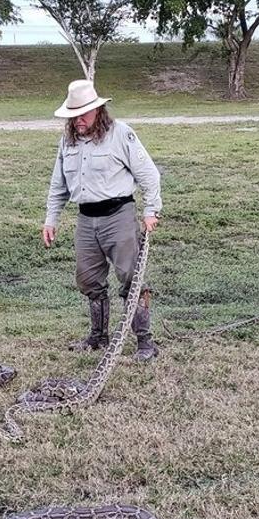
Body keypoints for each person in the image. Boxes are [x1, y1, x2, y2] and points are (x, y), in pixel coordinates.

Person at [43, 80, 163, 361]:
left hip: (119, 216)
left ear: (98, 110)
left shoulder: (121, 134)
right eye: (73, 115)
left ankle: (145, 342)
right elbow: (58, 184)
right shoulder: (67, 141)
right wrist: (51, 219)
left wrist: (151, 210)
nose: (78, 120)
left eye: (83, 114)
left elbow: (149, 174)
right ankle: (98, 337)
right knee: (88, 279)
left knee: (131, 278)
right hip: (86, 220)